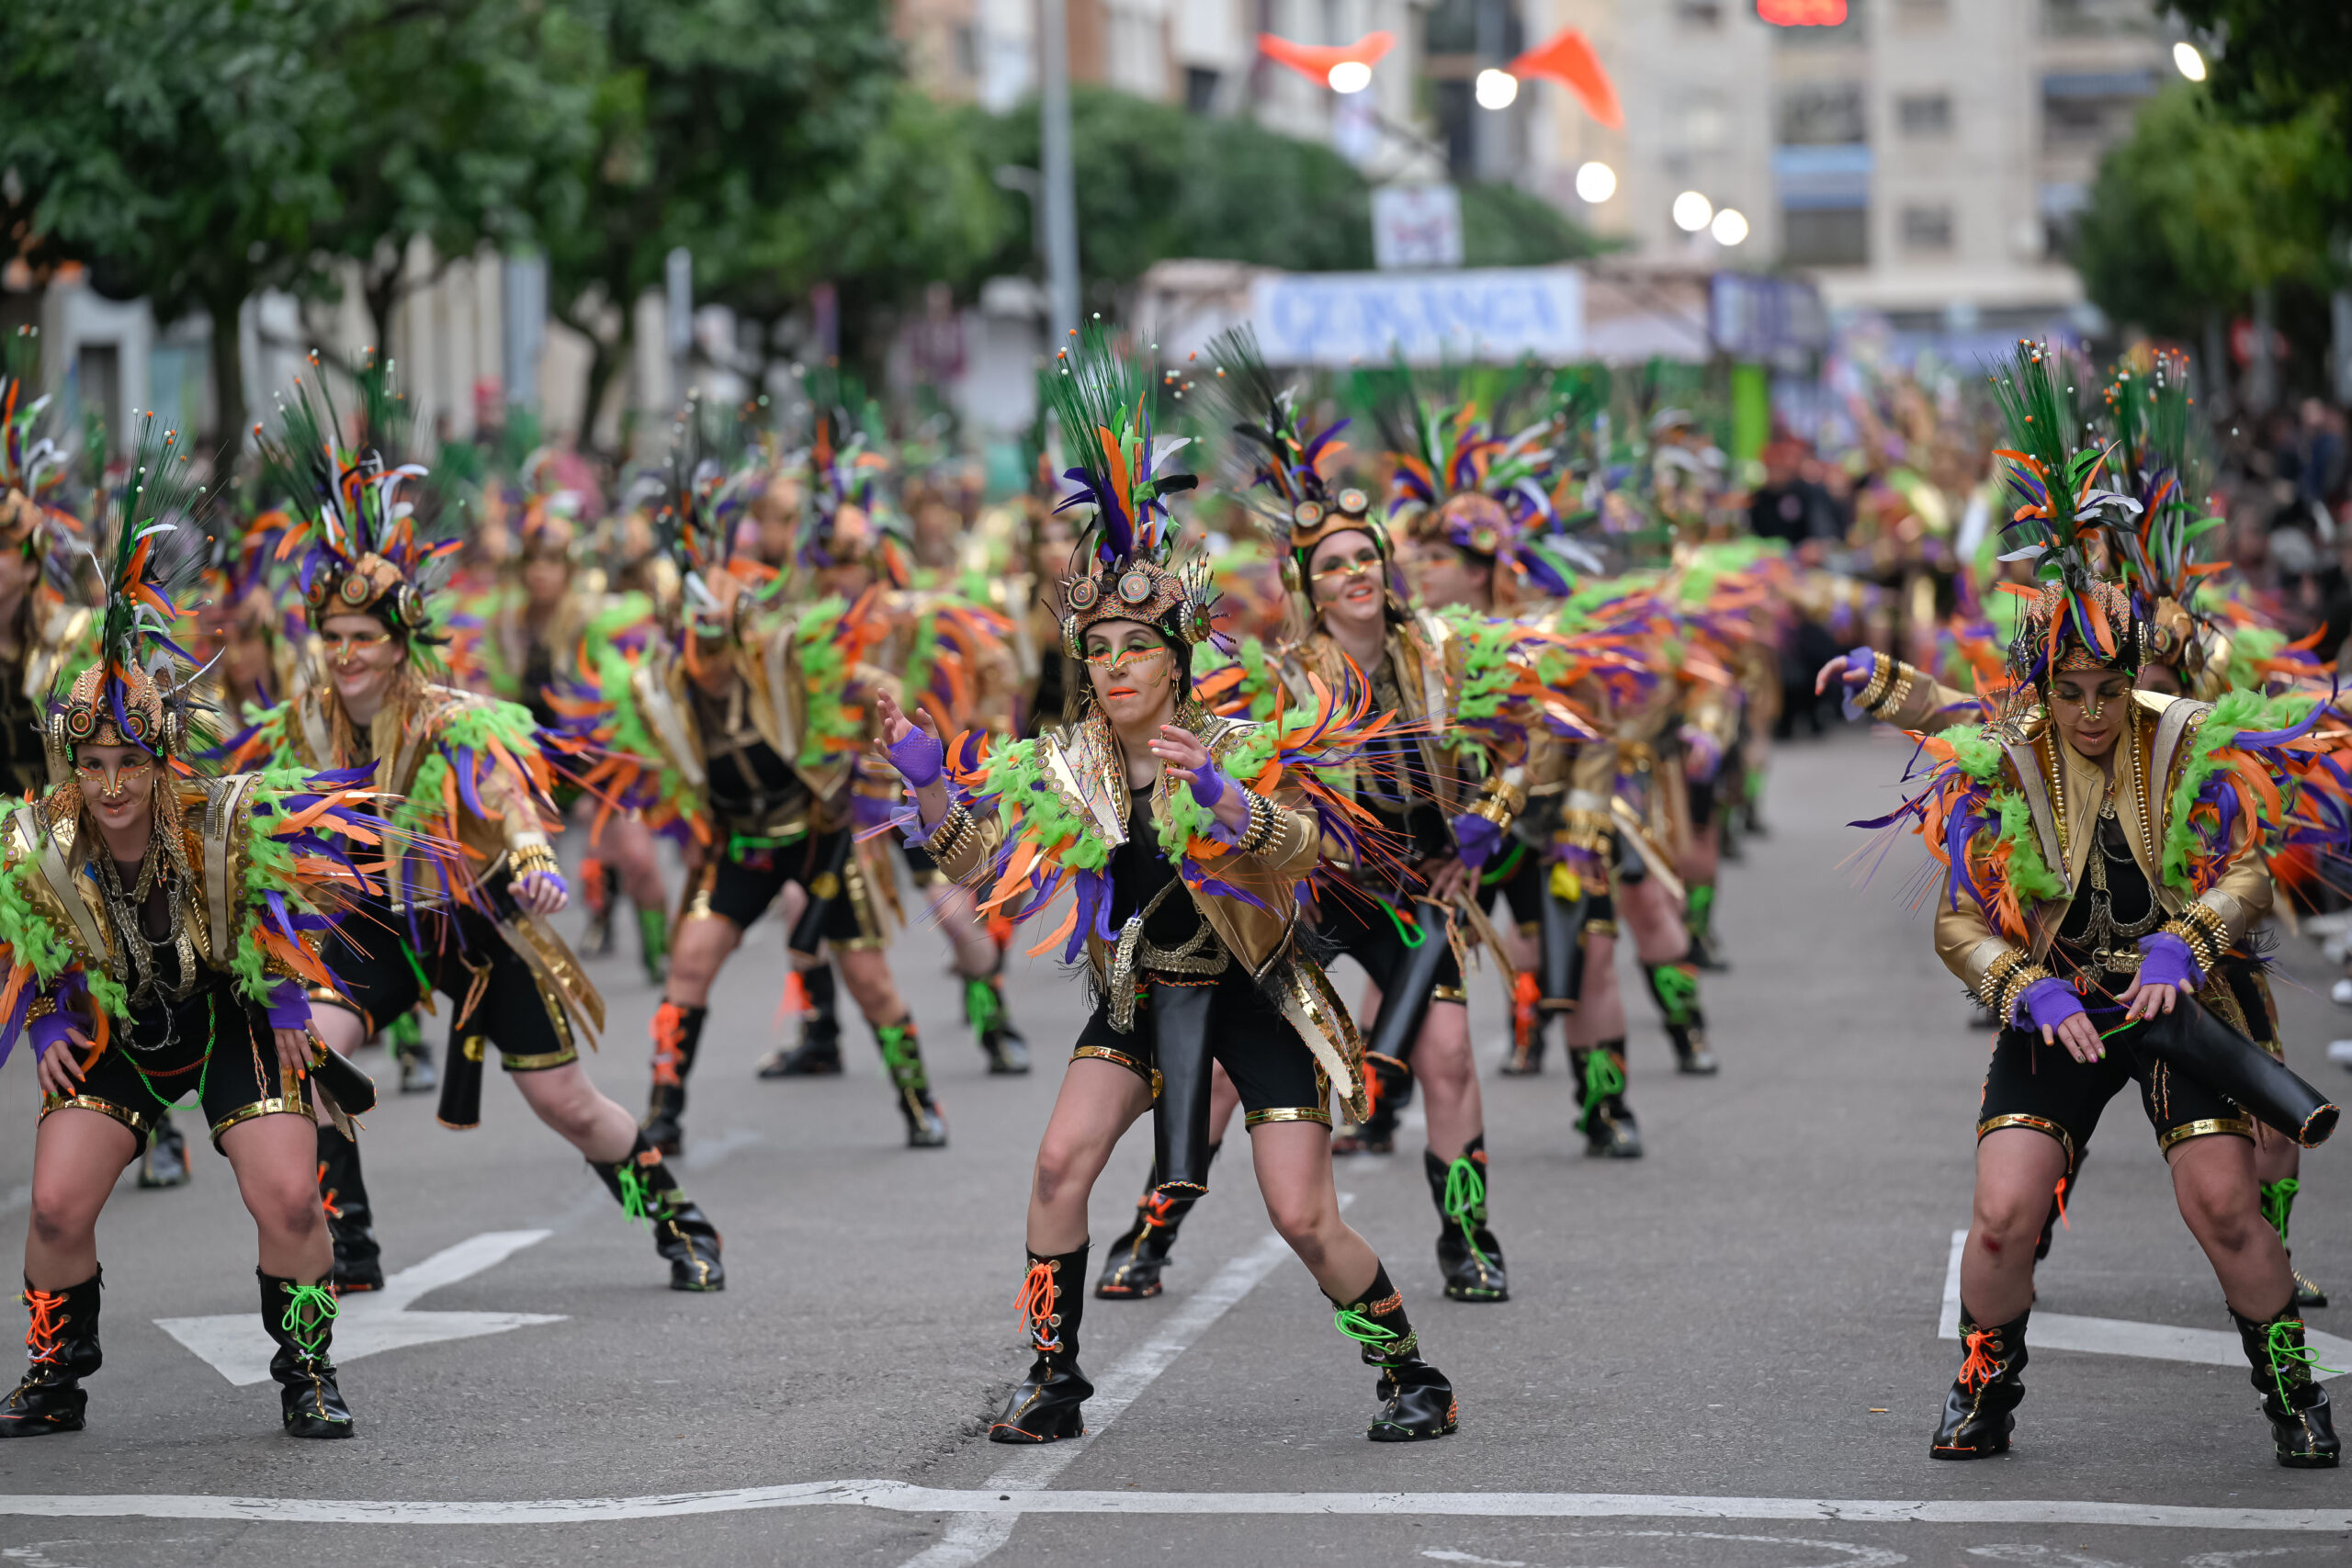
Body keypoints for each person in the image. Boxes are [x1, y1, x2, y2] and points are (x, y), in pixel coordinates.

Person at [874, 325, 1456, 1443]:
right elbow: (981, 869)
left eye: (1138, 646)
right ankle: (1052, 1378)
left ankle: (1407, 1370)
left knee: (1300, 1213)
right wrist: (933, 791)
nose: (1116, 665)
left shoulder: (1233, 738)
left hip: (1254, 994)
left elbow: (1302, 854)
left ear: (1178, 657)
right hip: (1140, 995)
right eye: (1097, 649)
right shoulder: (1066, 763)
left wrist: (1233, 807)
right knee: (1058, 1163)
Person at [1874, 344, 2341, 1467]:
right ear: (2036, 687)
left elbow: (2243, 863)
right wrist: (2018, 984)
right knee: (2003, 1214)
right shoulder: (2003, 761)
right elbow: (1955, 920)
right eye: (2066, 692)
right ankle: (1985, 1387)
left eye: (2107, 689)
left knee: (2226, 1206)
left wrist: (2189, 947)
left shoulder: (2185, 740)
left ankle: (2289, 1392)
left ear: (2138, 669)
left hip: (2178, 1008)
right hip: (2062, 1008)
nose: (2089, 713)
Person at [232, 371, 724, 1293]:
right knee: (310, 1048)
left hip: (478, 926)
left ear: (401, 643)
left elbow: (509, 798)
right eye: (333, 635)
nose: (346, 656)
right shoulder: (303, 721)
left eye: (365, 638)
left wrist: (536, 858)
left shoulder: (450, 717)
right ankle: (354, 1244)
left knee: (566, 1104)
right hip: (377, 925)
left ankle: (680, 1221)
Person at [1, 428, 394, 1438]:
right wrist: (47, 1025)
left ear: (163, 761)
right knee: (53, 1208)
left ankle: (307, 1369)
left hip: (229, 1019)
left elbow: (273, 910)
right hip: (116, 1028)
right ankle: (54, 1375)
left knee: (292, 1202)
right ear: (71, 770)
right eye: (94, 768)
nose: (115, 786)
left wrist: (297, 1005)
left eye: (133, 764)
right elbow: (31, 940)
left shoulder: (216, 820)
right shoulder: (41, 841)